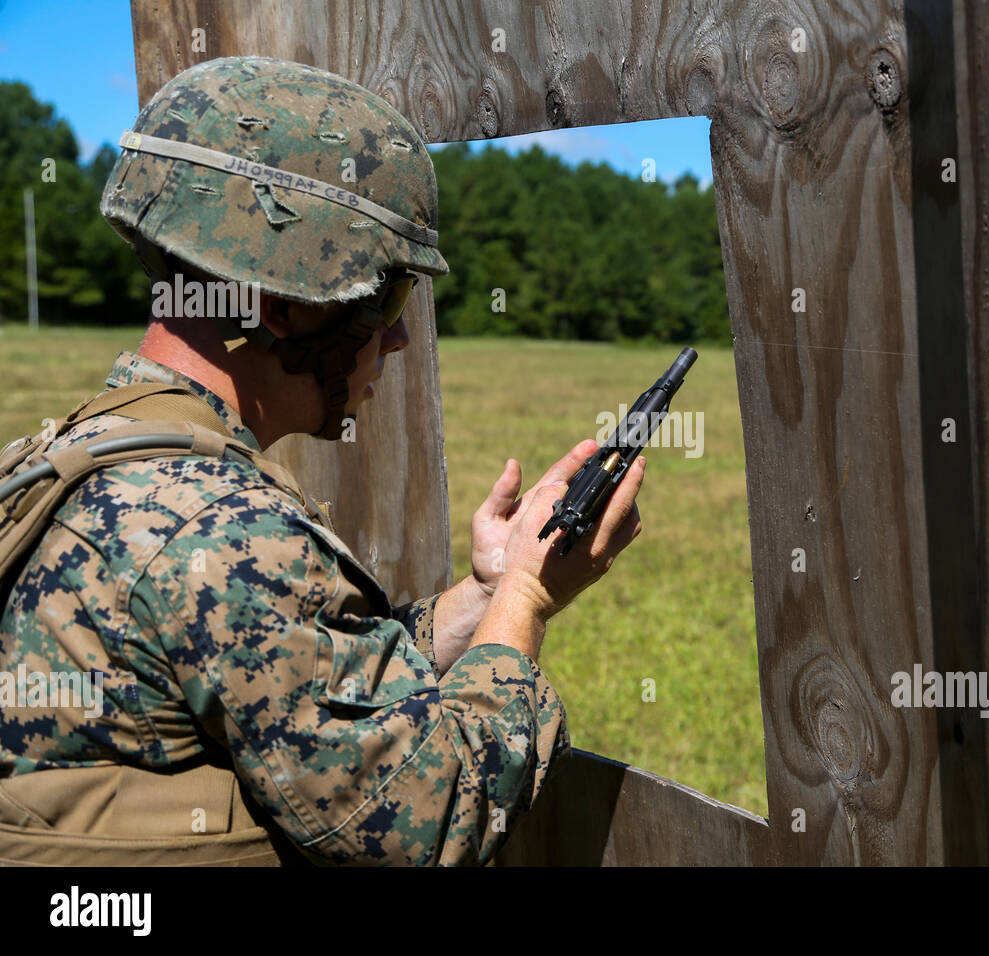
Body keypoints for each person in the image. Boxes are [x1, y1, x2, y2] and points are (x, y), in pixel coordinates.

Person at [0, 56, 644, 866]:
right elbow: (433, 811)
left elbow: (285, 680)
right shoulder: (218, 532)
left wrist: (479, 597)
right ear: (285, 310)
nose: (400, 337)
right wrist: (527, 596)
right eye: (389, 300)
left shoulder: (89, 457)